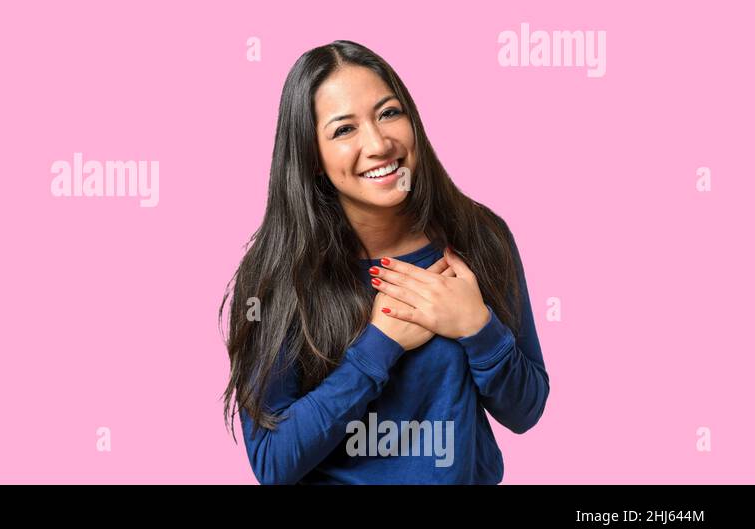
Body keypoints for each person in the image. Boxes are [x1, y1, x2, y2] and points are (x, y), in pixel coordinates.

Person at [219, 41, 549, 484]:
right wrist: (379, 346)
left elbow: (525, 410)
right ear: (312, 158)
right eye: (343, 130)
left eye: (389, 113)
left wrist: (477, 326)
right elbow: (273, 463)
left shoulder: (479, 237)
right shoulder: (278, 277)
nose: (378, 144)